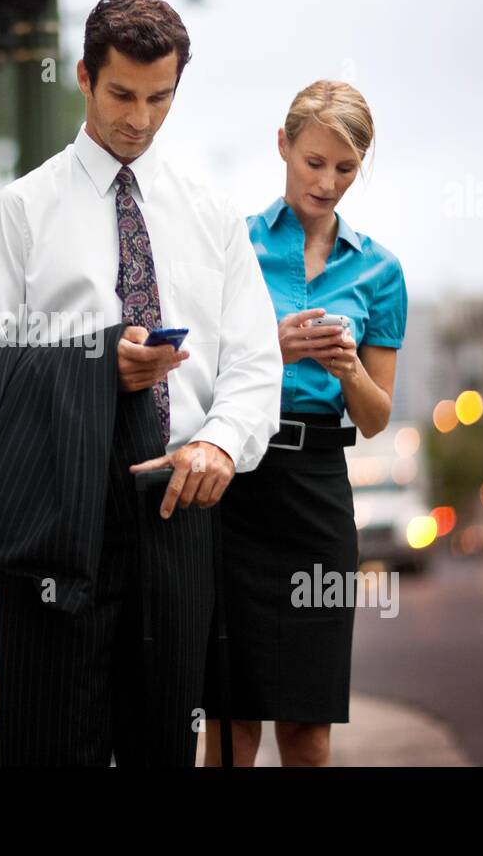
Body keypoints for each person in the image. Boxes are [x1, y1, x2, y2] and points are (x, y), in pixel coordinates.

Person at [0, 0, 283, 766]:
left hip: (179, 509)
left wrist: (220, 447)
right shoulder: (21, 211)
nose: (140, 118)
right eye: (122, 94)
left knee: (163, 750)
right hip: (60, 509)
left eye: (161, 98)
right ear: (85, 78)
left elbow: (257, 364)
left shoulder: (213, 215)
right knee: (51, 744)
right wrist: (98, 367)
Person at [203, 80, 408, 766]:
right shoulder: (232, 245)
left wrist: (348, 368)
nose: (326, 182)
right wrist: (273, 346)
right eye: (314, 162)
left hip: (319, 490)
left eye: (345, 169)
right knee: (230, 722)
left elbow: (377, 418)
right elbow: (196, 371)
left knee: (308, 721)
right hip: (236, 483)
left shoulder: (381, 272)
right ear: (283, 146)